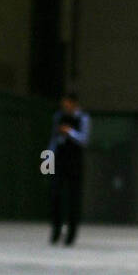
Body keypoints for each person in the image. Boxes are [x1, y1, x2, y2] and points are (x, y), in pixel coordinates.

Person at [47, 89, 90, 245]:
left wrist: (70, 131)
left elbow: (84, 140)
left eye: (67, 104)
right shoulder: (58, 117)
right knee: (55, 194)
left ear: (74, 104)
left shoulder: (83, 118)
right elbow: (53, 140)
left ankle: (71, 235)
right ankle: (56, 231)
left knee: (73, 199)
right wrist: (47, 162)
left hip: (75, 163)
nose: (65, 107)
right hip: (59, 160)